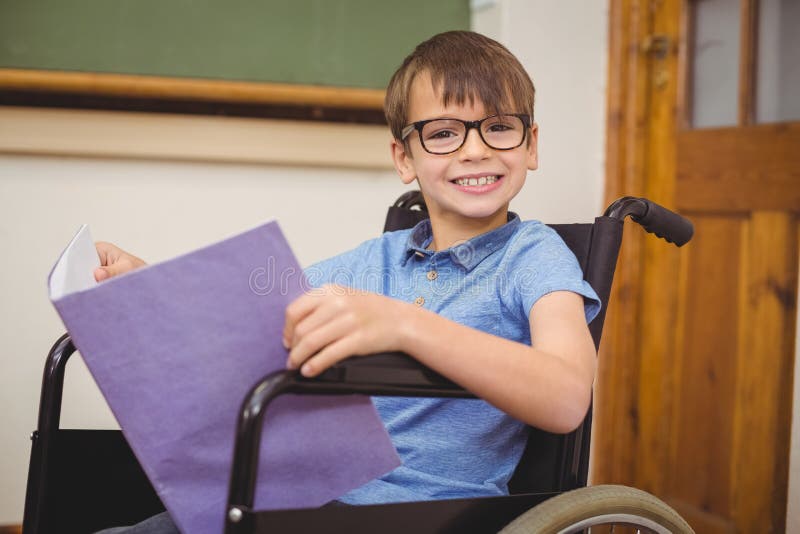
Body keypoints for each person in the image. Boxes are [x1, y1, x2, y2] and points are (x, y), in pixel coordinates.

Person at [94, 30, 599, 532]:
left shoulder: (533, 256)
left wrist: (405, 326)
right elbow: (244, 314)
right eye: (443, 133)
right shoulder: (375, 261)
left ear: (530, 145)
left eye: (499, 127)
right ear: (405, 157)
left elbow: (566, 397)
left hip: (427, 513)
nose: (474, 150)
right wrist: (151, 286)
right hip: (302, 497)